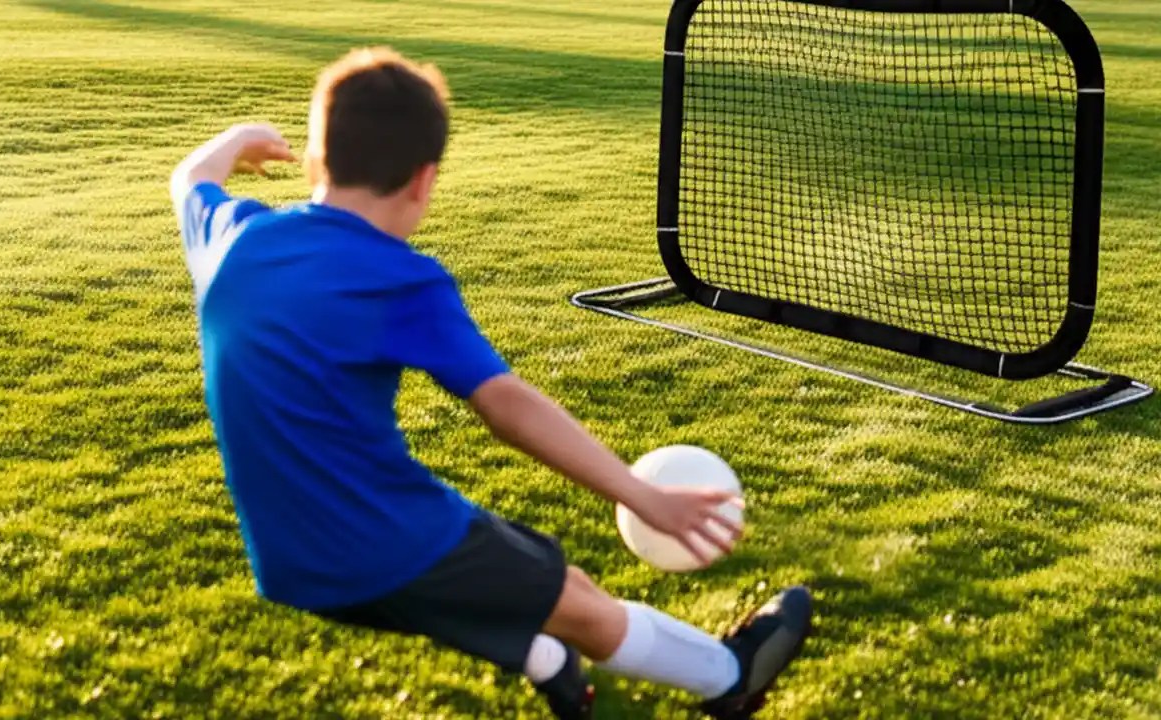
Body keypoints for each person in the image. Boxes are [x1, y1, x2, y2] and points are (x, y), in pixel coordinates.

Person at [169, 46, 812, 719]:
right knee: (579, 601)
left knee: (506, 590)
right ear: (424, 180)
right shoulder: (401, 279)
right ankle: (729, 678)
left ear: (313, 161)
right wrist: (640, 495)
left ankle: (548, 660)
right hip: (387, 542)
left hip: (285, 560)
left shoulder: (232, 238)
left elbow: (188, 178)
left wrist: (238, 139)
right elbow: (505, 403)